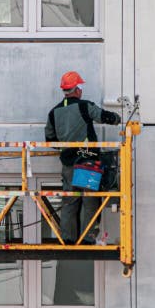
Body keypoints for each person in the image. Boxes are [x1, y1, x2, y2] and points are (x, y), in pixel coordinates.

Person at [45, 71, 120, 244]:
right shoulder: (84, 106)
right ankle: (87, 238)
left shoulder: (53, 112)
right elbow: (104, 116)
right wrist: (117, 118)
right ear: (77, 89)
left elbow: (51, 140)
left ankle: (68, 239)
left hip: (68, 163)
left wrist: (67, 145)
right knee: (90, 200)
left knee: (70, 201)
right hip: (87, 162)